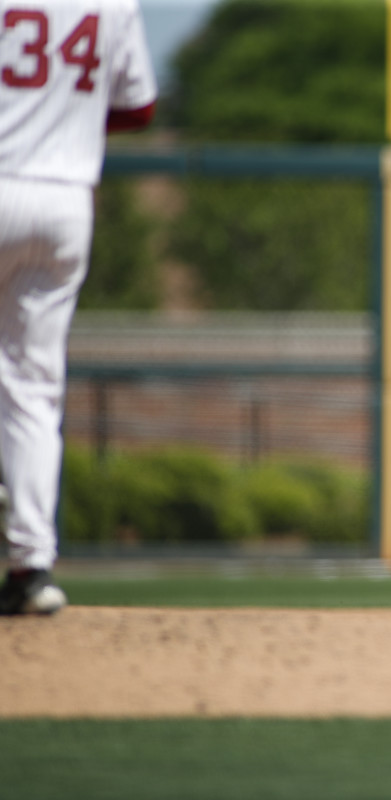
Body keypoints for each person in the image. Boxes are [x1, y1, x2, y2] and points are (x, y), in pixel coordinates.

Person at [0, 0, 158, 615]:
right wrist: (63, 119)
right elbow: (139, 107)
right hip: (64, 197)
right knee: (34, 386)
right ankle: (32, 565)